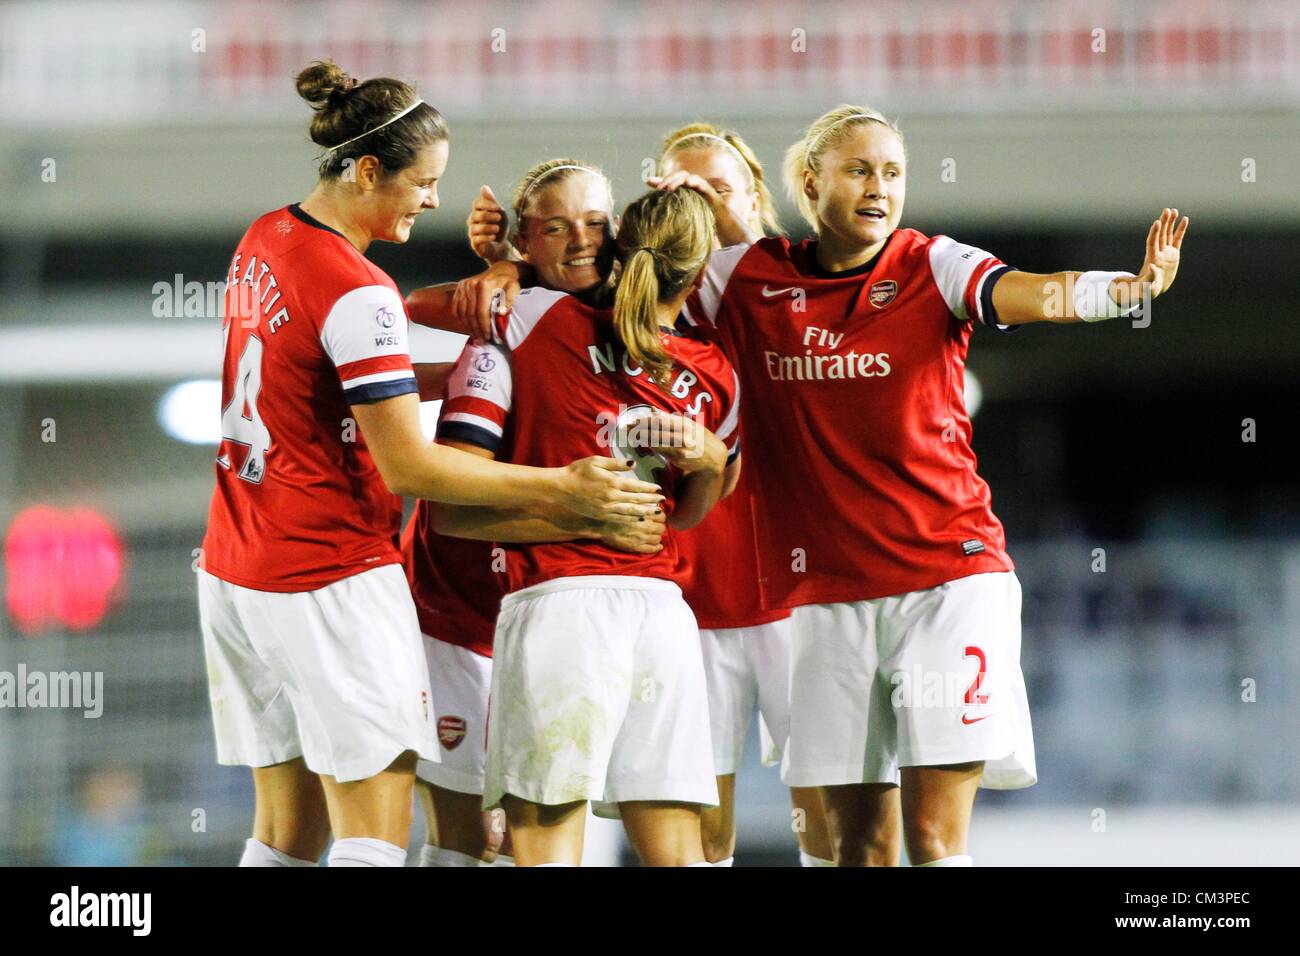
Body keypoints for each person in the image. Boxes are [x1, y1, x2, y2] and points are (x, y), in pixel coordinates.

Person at [665, 104, 1189, 866]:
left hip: (946, 580)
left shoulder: (931, 264)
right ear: (811, 183)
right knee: (854, 846)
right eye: (859, 170)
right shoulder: (743, 278)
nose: (880, 187)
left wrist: (1127, 289)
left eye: (892, 172)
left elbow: (1035, 292)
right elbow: (632, 292)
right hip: (825, 602)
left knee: (933, 840)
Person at [197, 60, 662, 868]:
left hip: (237, 569)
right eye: (424, 182)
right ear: (369, 170)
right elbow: (413, 471)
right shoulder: (361, 287)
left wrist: (451, 374)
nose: (434, 201)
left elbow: (308, 376)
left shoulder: (264, 235)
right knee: (373, 836)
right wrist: (566, 487)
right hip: (327, 573)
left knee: (284, 834)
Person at [429, 187, 741, 865]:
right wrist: (711, 466)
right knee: (681, 854)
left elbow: (447, 506)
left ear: (615, 244)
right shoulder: (715, 372)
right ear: (702, 265)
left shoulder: (528, 321)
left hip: (559, 609)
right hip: (663, 618)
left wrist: (502, 266)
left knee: (543, 847)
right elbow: (684, 515)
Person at [401, 159, 648, 867]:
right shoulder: (501, 334)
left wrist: (508, 264)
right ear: (526, 237)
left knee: (535, 834)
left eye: (596, 223)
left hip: (553, 622)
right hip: (459, 614)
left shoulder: (649, 333)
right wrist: (581, 507)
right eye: (555, 227)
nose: (581, 240)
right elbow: (416, 306)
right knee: (469, 839)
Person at [655, 123, 836, 867]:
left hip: (809, 594)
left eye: (717, 191)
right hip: (689, 593)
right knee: (701, 831)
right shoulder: (644, 308)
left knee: (834, 817)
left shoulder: (811, 283)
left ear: (756, 197)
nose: (700, 213)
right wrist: (504, 260)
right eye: (680, 195)